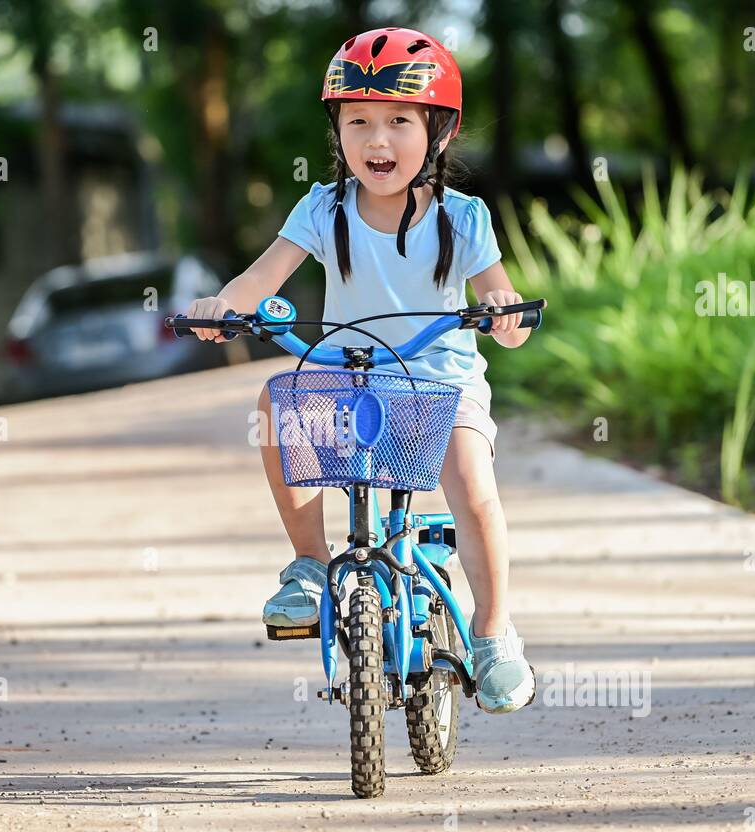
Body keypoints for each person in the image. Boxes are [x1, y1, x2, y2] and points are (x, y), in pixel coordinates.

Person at [185, 27, 536, 714]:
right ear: (338, 131)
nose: (378, 140)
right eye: (359, 122)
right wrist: (223, 307)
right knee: (277, 401)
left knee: (473, 489)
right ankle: (312, 565)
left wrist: (503, 312)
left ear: (438, 132)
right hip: (353, 378)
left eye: (399, 121)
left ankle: (494, 632)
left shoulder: (464, 219)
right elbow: (260, 279)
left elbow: (510, 312)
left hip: (441, 385)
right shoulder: (324, 209)